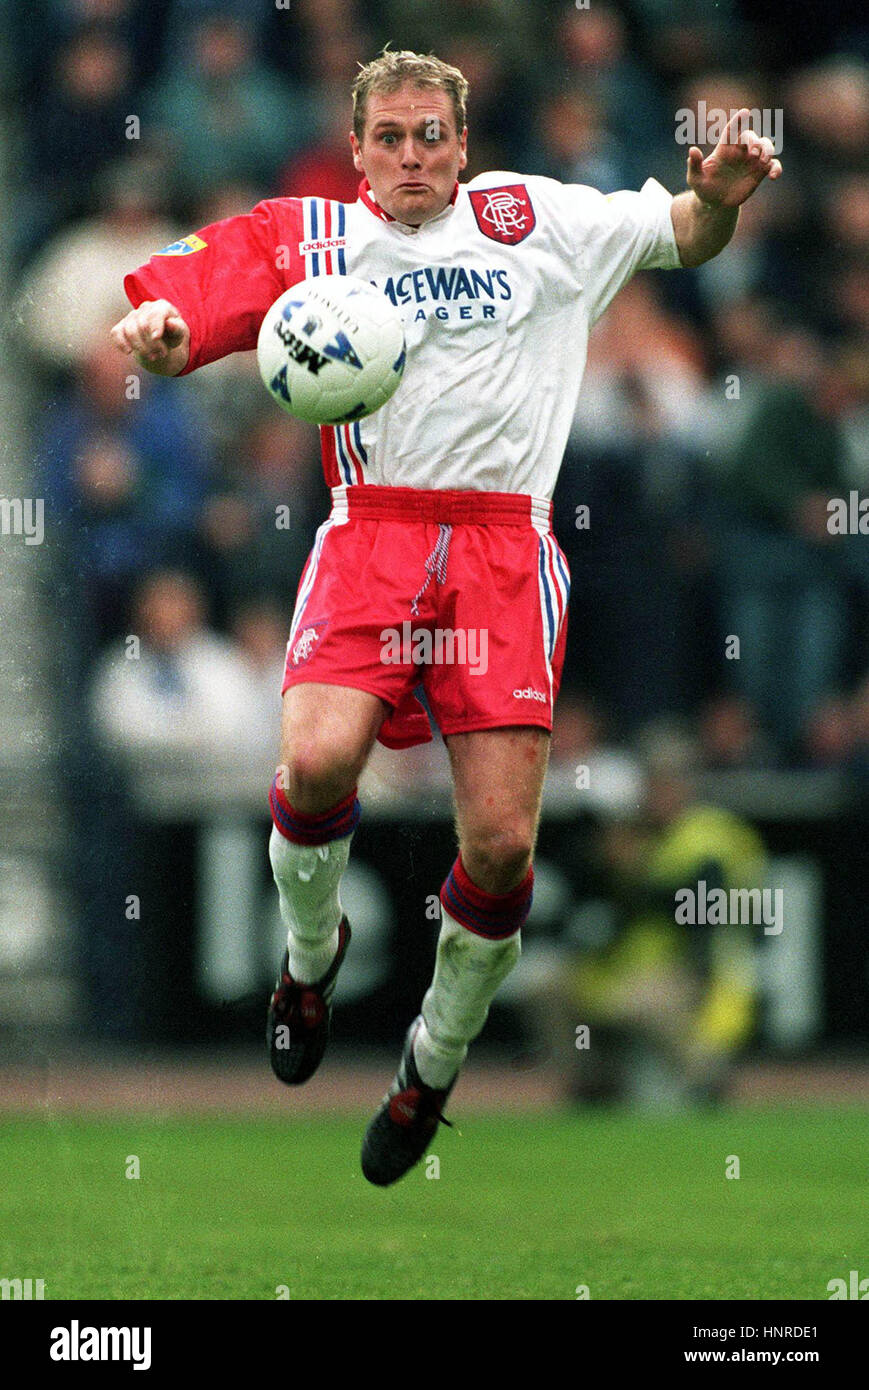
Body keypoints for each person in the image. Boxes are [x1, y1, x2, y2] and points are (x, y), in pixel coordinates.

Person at [110, 49, 782, 1185]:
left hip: (500, 550)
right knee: (319, 764)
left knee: (501, 843)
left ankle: (431, 1063)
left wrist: (715, 202)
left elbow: (678, 228)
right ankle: (310, 962)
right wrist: (163, 341)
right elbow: (178, 305)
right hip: (371, 531)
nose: (412, 155)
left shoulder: (539, 219)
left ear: (463, 146)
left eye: (432, 135)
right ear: (357, 144)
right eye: (390, 136)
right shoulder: (305, 237)